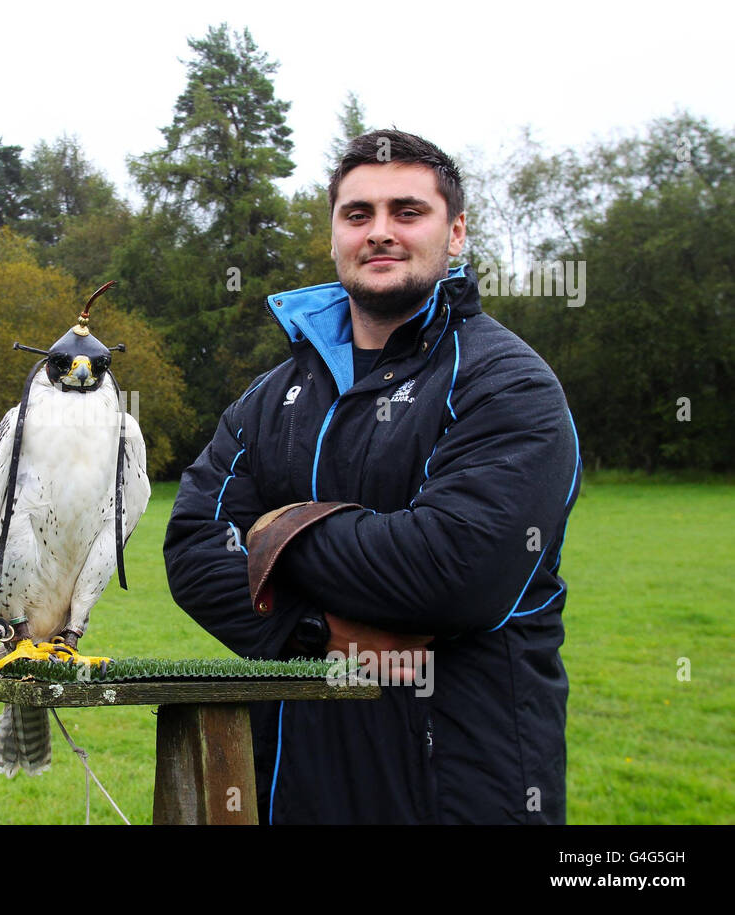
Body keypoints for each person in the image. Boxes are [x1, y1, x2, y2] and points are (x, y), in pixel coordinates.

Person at [164, 129, 581, 824]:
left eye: (407, 212)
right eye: (358, 215)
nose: (380, 232)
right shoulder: (271, 397)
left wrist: (273, 533)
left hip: (461, 792)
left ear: (456, 232)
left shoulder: (507, 383)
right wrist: (311, 632)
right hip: (288, 791)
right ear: (334, 235)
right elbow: (192, 548)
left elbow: (455, 567)